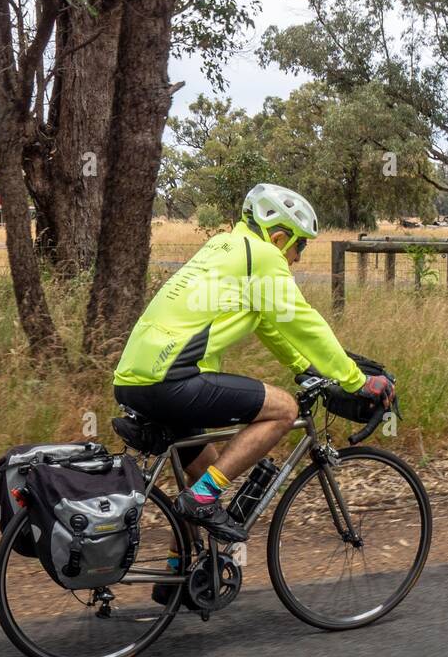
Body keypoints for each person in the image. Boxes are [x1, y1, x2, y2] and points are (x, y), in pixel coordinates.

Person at [112, 183, 395, 546]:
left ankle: (179, 569)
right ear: (279, 238)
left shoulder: (224, 245)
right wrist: (356, 381)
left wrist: (302, 366)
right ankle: (202, 499)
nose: (299, 257)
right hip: (171, 380)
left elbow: (267, 322)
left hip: (135, 380)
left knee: (205, 468)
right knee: (283, 409)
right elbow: (303, 322)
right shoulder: (262, 256)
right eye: (300, 245)